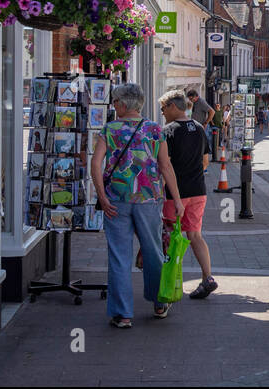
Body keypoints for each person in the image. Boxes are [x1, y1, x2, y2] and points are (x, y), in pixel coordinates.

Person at [92, 82, 185, 328]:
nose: (114, 106)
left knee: (119, 255)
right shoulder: (155, 129)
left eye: (115, 102)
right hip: (149, 199)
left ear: (123, 104)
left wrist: (102, 196)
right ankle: (159, 302)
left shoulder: (109, 129)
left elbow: (95, 164)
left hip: (116, 200)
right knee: (153, 251)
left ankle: (122, 314)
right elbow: (166, 166)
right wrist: (176, 200)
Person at [158, 89, 217, 299]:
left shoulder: (167, 131)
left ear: (173, 106)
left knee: (171, 238)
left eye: (164, 108)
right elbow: (205, 161)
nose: (162, 112)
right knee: (195, 235)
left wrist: (161, 191)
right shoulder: (200, 128)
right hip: (198, 191)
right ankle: (207, 277)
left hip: (176, 194)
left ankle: (170, 281)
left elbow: (165, 165)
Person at [186, 89, 215, 159]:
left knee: (202, 143)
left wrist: (206, 123)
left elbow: (212, 112)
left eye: (191, 99)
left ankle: (203, 158)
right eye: (189, 99)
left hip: (201, 126)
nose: (190, 100)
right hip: (195, 126)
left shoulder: (201, 102)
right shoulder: (194, 102)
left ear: (196, 96)